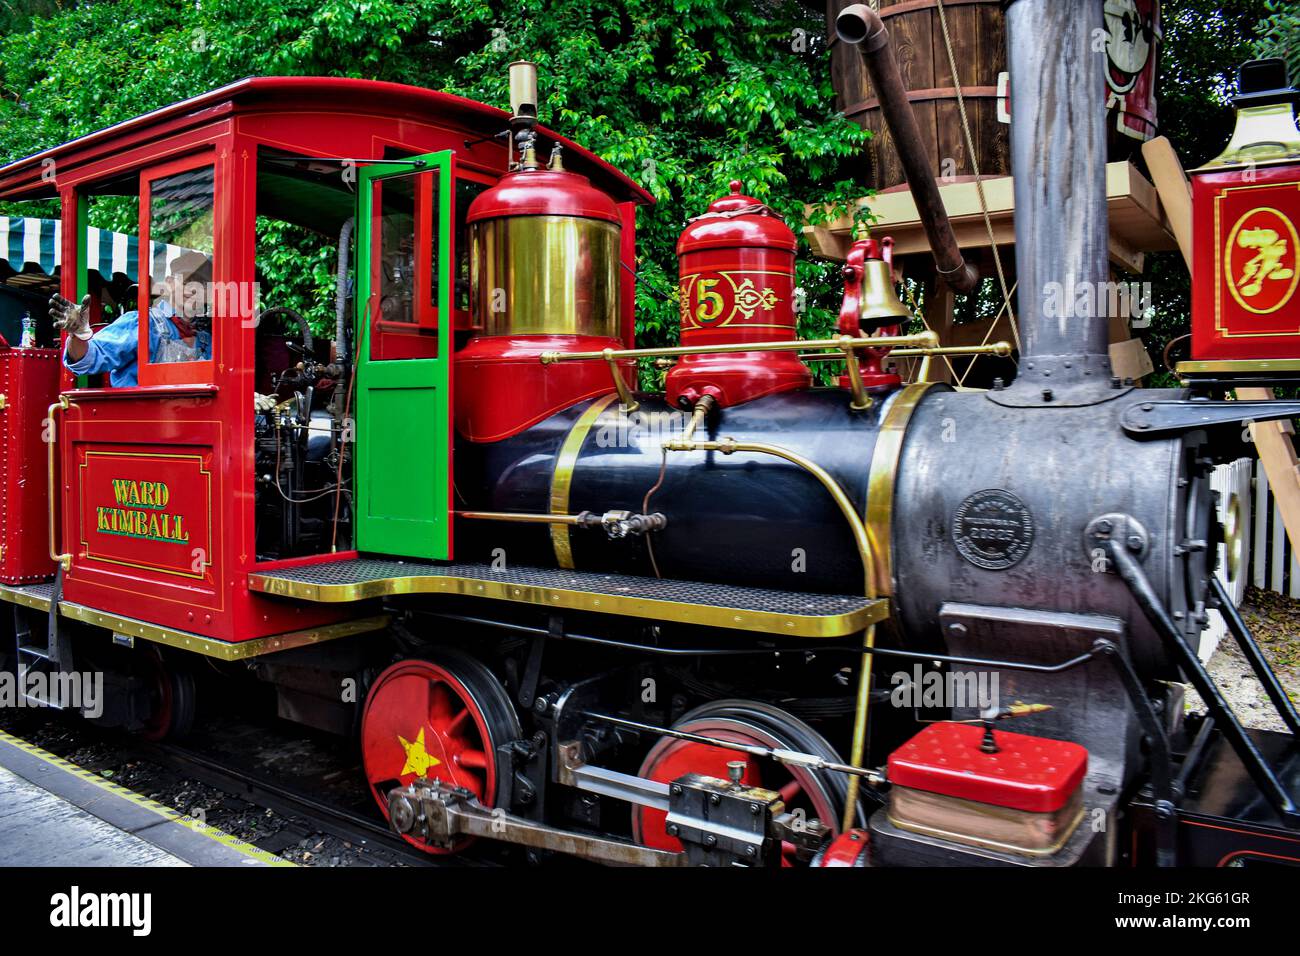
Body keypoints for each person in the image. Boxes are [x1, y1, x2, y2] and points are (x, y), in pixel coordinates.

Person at [50, 249, 214, 387]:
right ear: (170, 283)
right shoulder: (143, 323)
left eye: (202, 285)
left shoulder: (207, 340)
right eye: (186, 281)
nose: (193, 290)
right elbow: (87, 360)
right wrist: (78, 334)